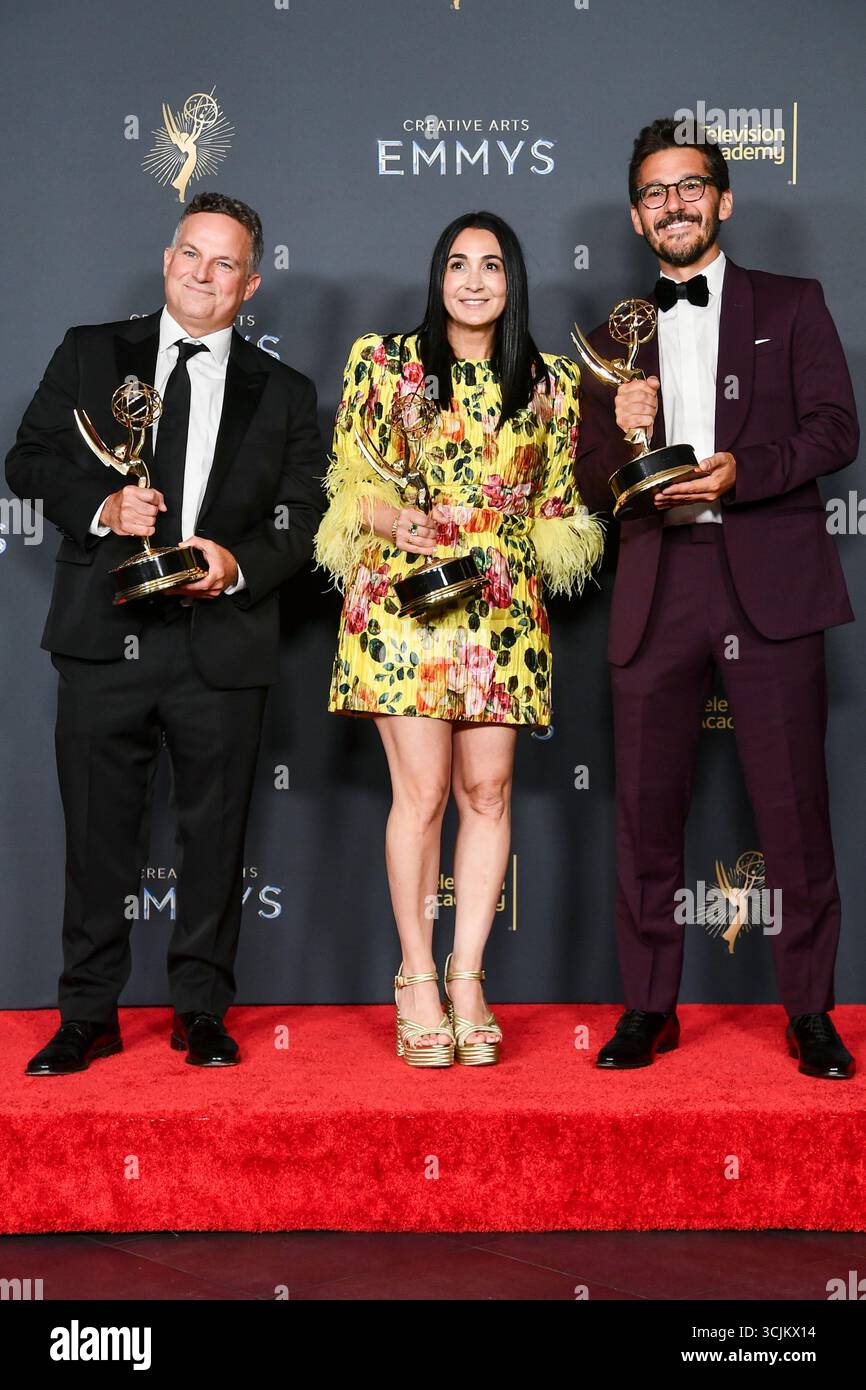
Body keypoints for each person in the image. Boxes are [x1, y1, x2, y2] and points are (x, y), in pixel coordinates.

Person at [6, 191, 325, 1073]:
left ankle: (201, 1010)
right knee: (96, 835)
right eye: (192, 254)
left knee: (216, 837)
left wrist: (240, 564)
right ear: (167, 259)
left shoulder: (287, 393)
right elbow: (27, 457)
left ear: (250, 284)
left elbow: (307, 513)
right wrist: (102, 506)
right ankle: (86, 1013)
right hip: (103, 634)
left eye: (225, 264)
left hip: (220, 642)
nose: (203, 274)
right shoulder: (89, 352)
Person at [575, 118, 859, 1078]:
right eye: (655, 193)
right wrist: (619, 436)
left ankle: (810, 1012)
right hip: (658, 583)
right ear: (635, 215)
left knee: (793, 811)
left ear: (724, 200)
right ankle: (649, 1006)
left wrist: (744, 472)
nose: (674, 205)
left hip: (767, 577)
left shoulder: (794, 301)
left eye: (690, 187)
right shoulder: (613, 333)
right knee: (645, 813)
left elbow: (836, 432)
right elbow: (588, 482)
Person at [314, 211, 603, 1068]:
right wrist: (388, 515)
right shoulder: (384, 361)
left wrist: (544, 547)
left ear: (513, 281)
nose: (473, 281)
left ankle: (468, 977)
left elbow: (557, 507)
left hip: (503, 604)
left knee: (489, 792)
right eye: (457, 264)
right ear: (436, 275)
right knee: (425, 793)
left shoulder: (551, 381)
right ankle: (415, 978)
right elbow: (346, 485)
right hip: (406, 599)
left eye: (491, 266)